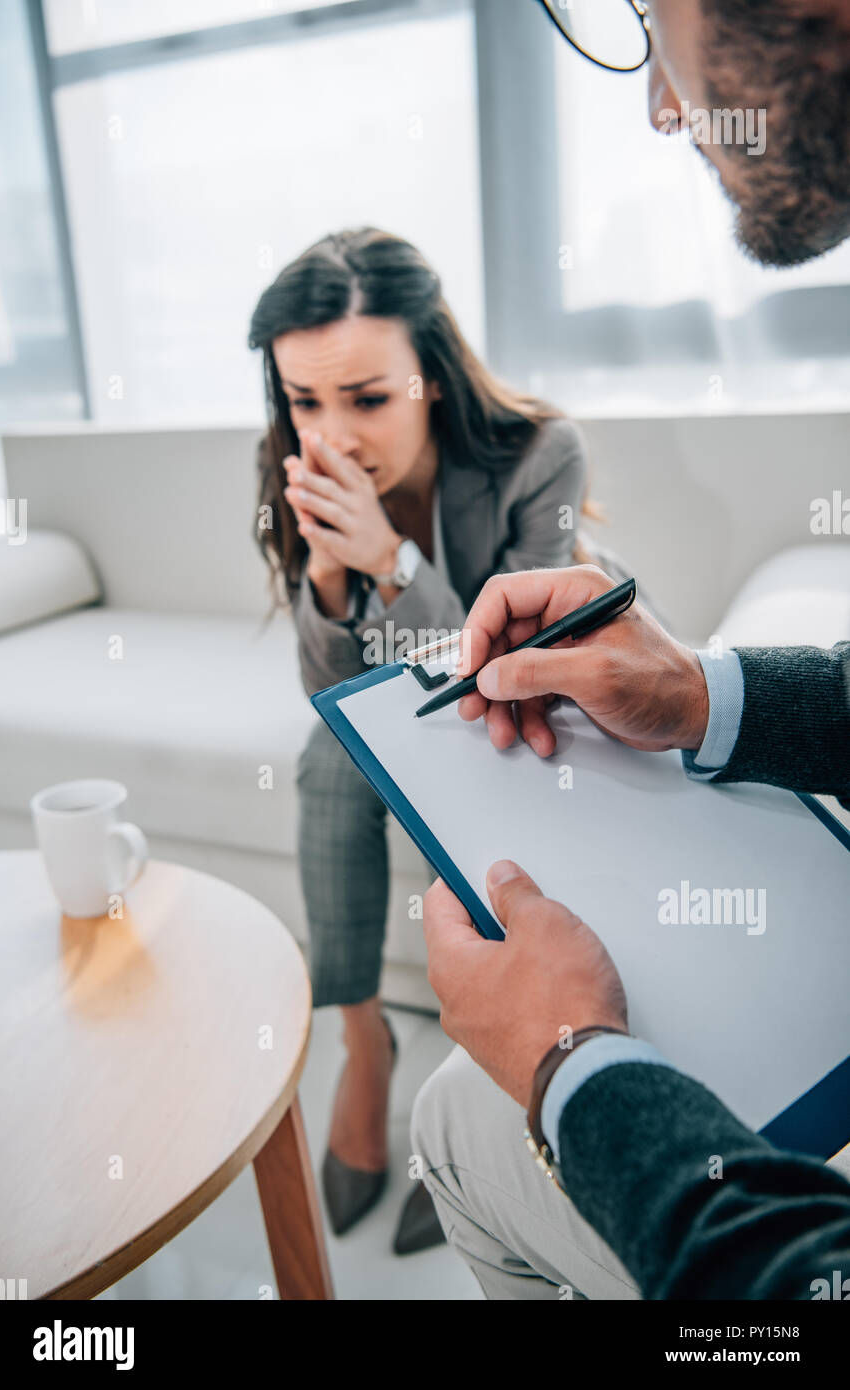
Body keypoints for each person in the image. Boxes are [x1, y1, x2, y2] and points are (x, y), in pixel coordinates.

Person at [413, 0, 850, 1299]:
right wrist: (700, 689)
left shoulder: (529, 445)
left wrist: (570, 1065)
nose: (662, 103)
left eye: (648, 19)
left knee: (464, 1108)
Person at [248, 227, 636, 1249]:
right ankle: (362, 1038)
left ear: (432, 372)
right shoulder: (296, 469)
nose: (333, 435)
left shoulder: (538, 455)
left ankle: (488, 1078)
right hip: (435, 702)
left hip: (550, 708)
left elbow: (505, 682)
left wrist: (391, 559)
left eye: (369, 398)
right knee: (329, 756)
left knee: (460, 771)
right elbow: (336, 698)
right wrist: (331, 581)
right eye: (303, 400)